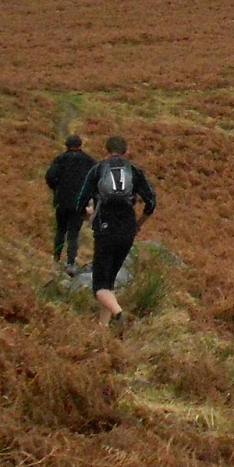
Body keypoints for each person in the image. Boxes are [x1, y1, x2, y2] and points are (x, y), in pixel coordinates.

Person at [74, 134, 156, 329]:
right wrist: (139, 223)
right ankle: (102, 330)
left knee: (99, 287)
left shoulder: (97, 170)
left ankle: (119, 315)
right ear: (126, 151)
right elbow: (151, 202)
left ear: (105, 151)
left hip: (105, 229)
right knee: (109, 281)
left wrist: (88, 216)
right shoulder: (134, 171)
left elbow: (79, 203)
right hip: (128, 229)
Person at [43, 135, 96, 274]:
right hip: (79, 202)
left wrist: (56, 188)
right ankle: (70, 263)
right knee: (73, 233)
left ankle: (55, 259)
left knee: (60, 230)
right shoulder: (89, 160)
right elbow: (96, 179)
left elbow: (49, 177)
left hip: (62, 201)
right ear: (80, 145)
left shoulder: (60, 159)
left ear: (66, 145)